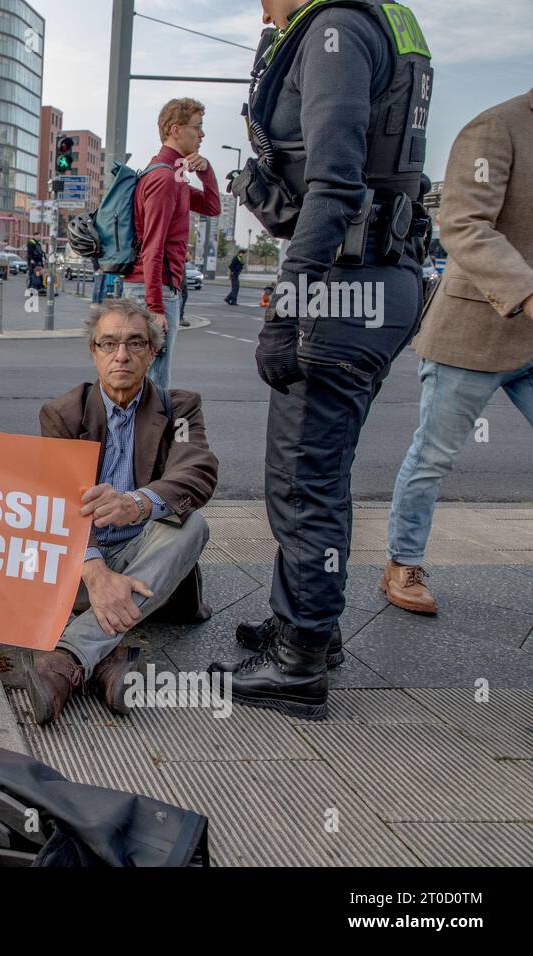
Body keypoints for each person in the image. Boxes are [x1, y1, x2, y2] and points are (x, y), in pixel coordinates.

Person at [218, 0, 434, 720]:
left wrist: (290, 302)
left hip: (347, 283)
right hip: (383, 275)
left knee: (303, 479)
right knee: (317, 471)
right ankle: (304, 621)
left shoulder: (335, 29)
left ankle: (300, 663)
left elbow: (336, 179)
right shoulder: (376, 20)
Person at [26, 298, 218, 724]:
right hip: (78, 564)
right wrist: (95, 572)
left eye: (135, 343)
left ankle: (68, 659)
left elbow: (198, 469)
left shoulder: (179, 409)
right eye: (108, 344)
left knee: (194, 527)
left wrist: (136, 503)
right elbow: (57, 501)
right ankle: (109, 660)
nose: (122, 356)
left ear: (153, 351)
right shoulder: (62, 414)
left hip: (142, 555)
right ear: (92, 352)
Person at [382, 90, 533, 614]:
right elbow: (464, 225)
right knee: (434, 456)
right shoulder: (497, 127)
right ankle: (402, 562)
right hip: (475, 328)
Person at [126, 98, 220, 389]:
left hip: (161, 290)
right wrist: (155, 307)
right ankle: (142, 436)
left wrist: (205, 171)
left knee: (149, 383)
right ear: (176, 130)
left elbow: (211, 206)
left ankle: (141, 434)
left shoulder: (174, 175)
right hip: (155, 292)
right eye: (198, 127)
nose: (202, 135)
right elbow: (152, 246)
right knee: (154, 383)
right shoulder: (165, 179)